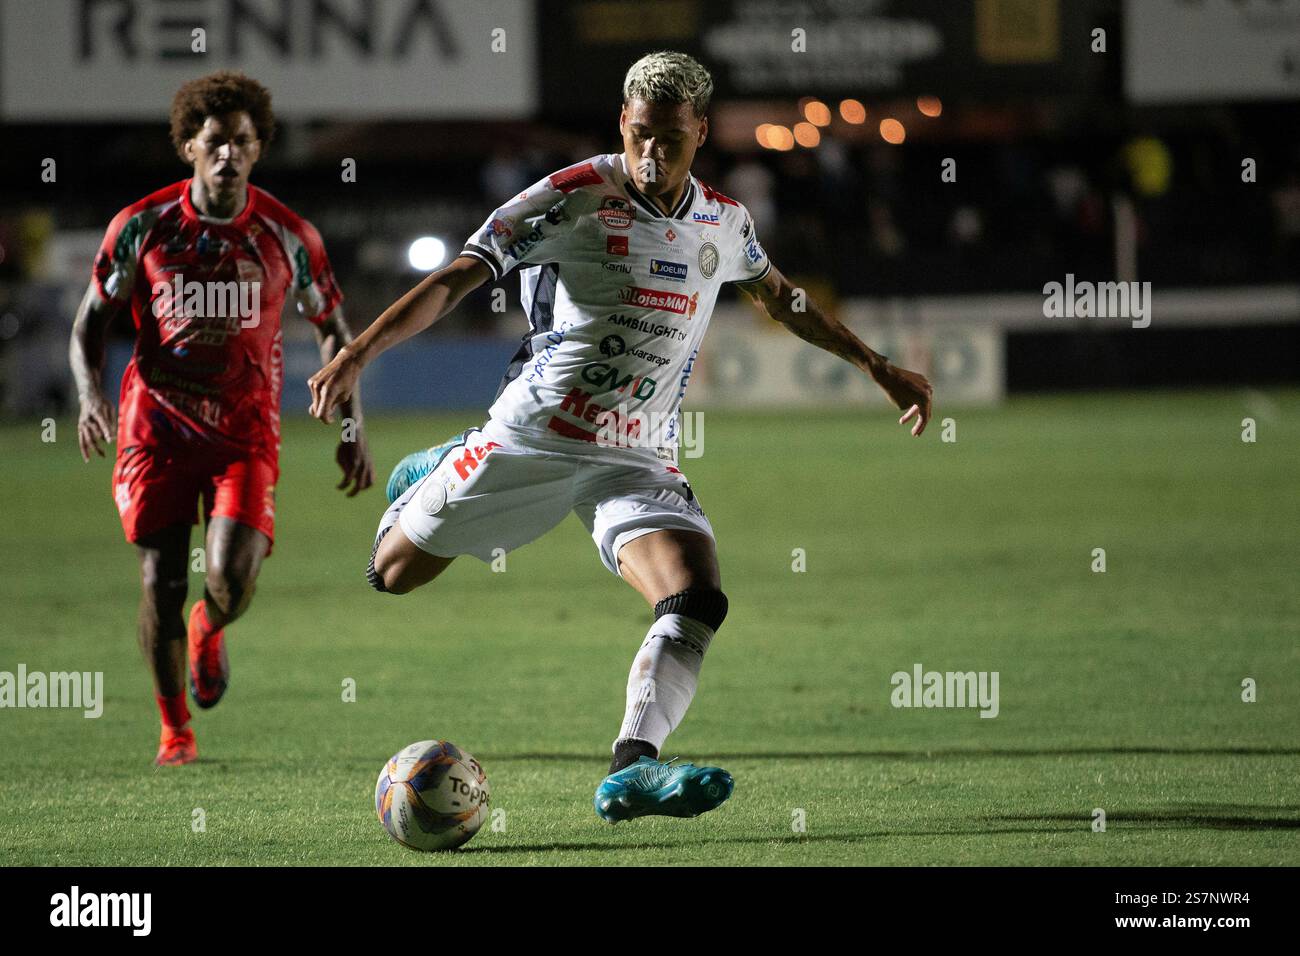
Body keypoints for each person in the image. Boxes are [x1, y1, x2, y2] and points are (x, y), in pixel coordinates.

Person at [307, 51, 931, 823]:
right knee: (390, 576)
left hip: (635, 455)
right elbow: (458, 277)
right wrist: (358, 354)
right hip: (532, 436)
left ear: (701, 132)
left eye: (671, 137)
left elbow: (783, 300)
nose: (652, 153)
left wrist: (877, 365)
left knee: (695, 595)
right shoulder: (570, 196)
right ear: (623, 126)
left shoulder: (725, 221)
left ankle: (632, 769)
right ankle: (431, 474)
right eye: (640, 134)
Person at [70, 71, 374, 766]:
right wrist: (90, 396)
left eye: (242, 141)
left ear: (259, 147)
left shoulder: (289, 234)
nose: (228, 154)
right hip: (157, 428)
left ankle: (211, 627)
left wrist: (352, 427)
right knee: (161, 581)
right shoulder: (141, 225)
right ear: (187, 147)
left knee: (231, 580)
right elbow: (90, 324)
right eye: (214, 142)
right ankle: (176, 730)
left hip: (244, 431)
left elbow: (334, 330)